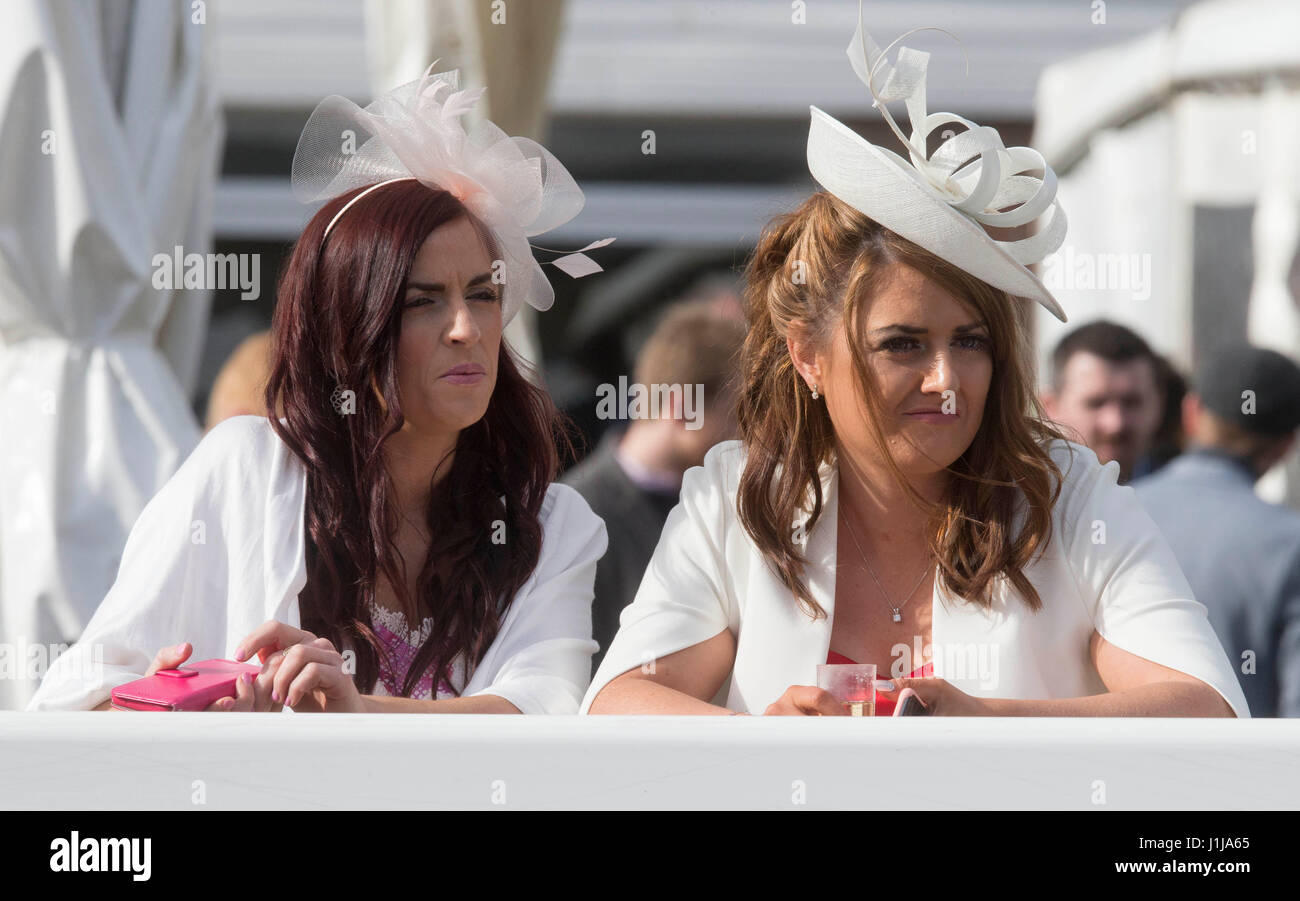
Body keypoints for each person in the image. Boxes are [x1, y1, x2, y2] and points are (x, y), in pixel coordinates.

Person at [582, 11, 1247, 718]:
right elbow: (616, 702)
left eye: (971, 341)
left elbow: (1208, 707)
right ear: (808, 355)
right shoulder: (736, 500)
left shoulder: (1067, 497)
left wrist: (989, 723)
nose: (945, 379)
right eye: (902, 343)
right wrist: (761, 742)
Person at [28, 67, 609, 713]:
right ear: (347, 327)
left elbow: (541, 710)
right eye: (423, 302)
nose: (466, 329)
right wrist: (164, 712)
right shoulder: (248, 467)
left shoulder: (550, 523)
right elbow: (75, 701)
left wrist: (353, 711)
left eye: (484, 294)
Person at [562, 298, 745, 674]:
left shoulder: (720, 501)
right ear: (682, 409)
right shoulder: (578, 513)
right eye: (737, 413)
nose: (746, 433)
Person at [1134, 344, 1300, 717]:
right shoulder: (1289, 543)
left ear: (1192, 412)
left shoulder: (1114, 511)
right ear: (1287, 443)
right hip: (1243, 772)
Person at [1040, 320, 1164, 484]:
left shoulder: (1187, 500)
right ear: (1050, 407)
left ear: (1159, 404)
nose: (1115, 424)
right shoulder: (1024, 500)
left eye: (1131, 402)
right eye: (1096, 403)